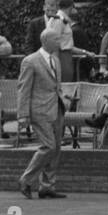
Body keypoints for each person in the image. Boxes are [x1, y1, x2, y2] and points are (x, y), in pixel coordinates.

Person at [16, 26, 71, 199]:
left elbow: (56, 86)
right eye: (56, 39)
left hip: (56, 109)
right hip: (39, 110)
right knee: (48, 146)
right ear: (46, 41)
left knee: (56, 150)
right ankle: (26, 180)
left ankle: (47, 186)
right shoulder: (30, 61)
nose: (59, 42)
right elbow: (23, 89)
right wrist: (22, 114)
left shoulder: (56, 60)